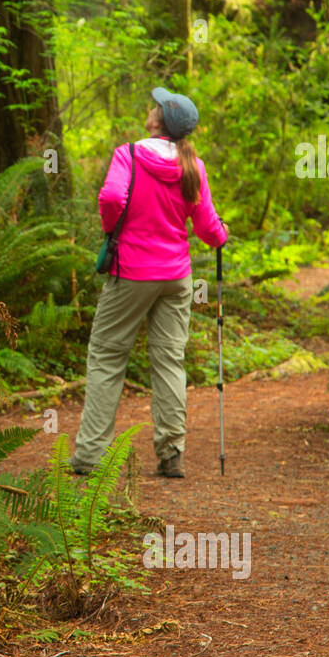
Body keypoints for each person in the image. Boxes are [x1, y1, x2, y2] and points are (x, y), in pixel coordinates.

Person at [70, 87, 229, 479]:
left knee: (107, 356)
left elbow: (110, 198)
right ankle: (171, 453)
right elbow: (209, 229)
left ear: (159, 120)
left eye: (155, 105)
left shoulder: (129, 154)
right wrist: (223, 235)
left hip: (132, 272)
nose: (150, 107)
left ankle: (90, 456)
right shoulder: (194, 165)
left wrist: (113, 230)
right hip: (176, 277)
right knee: (170, 361)